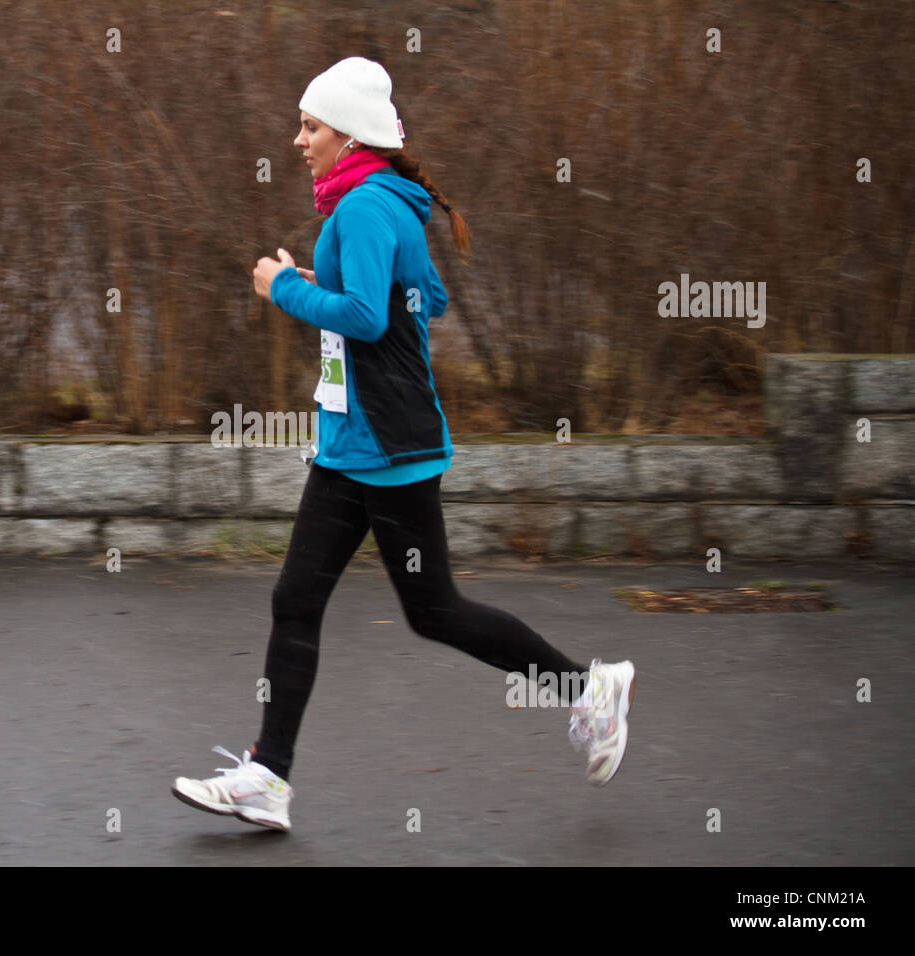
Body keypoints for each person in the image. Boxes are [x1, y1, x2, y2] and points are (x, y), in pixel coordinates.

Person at [171, 57, 635, 832]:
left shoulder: (363, 206)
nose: (297, 140)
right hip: (362, 442)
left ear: (348, 134)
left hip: (386, 448)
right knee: (303, 600)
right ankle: (266, 778)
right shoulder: (387, 203)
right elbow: (427, 298)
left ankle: (591, 691)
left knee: (434, 610)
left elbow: (369, 318)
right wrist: (332, 274)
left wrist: (284, 287)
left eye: (310, 126)